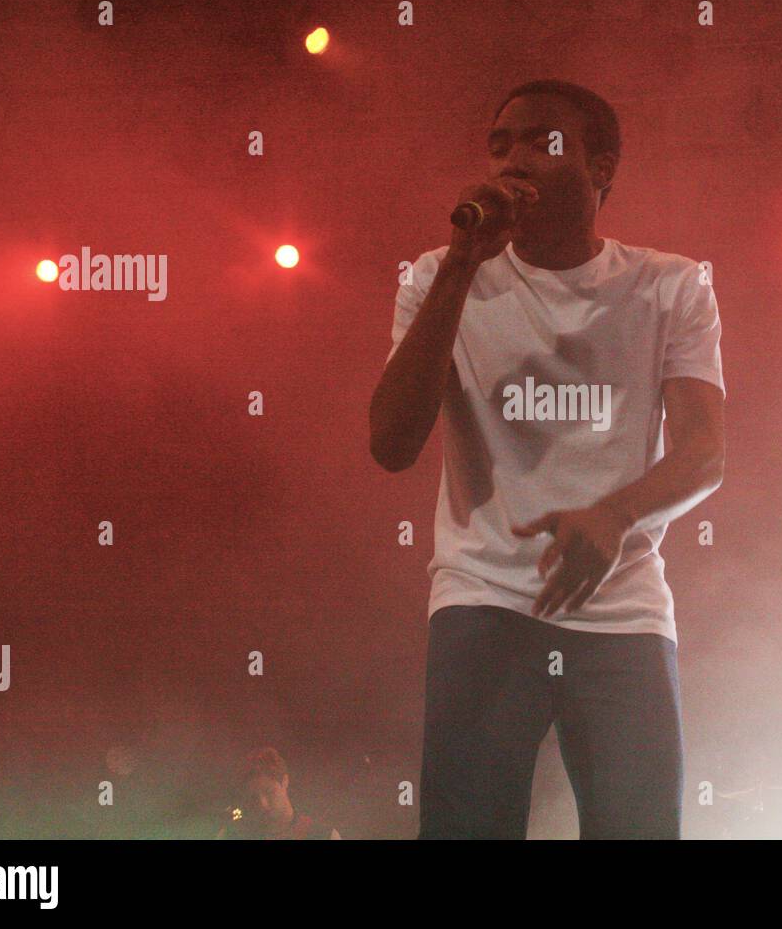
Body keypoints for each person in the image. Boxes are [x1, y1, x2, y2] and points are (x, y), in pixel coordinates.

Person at [370, 80, 726, 839]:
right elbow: (392, 443)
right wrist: (463, 268)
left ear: (602, 167)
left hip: (623, 609)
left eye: (542, 141)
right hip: (483, 600)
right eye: (500, 145)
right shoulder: (437, 276)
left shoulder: (670, 285)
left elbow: (703, 452)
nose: (513, 161)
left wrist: (615, 514)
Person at [217, 747, 339, 840]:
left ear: (285, 781)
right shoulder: (231, 836)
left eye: (269, 792)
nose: (263, 804)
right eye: (254, 797)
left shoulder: (323, 836)